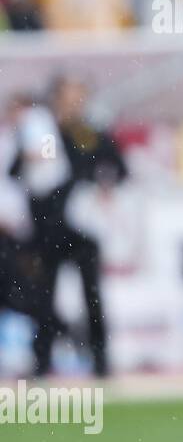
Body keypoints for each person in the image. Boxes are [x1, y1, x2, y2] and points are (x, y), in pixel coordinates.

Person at [9, 77, 127, 377]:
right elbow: (17, 171)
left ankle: (101, 360)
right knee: (44, 296)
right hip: (48, 227)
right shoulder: (43, 128)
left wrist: (103, 186)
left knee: (92, 295)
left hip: (83, 228)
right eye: (71, 95)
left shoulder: (91, 132)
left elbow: (118, 168)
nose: (77, 101)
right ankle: (42, 361)